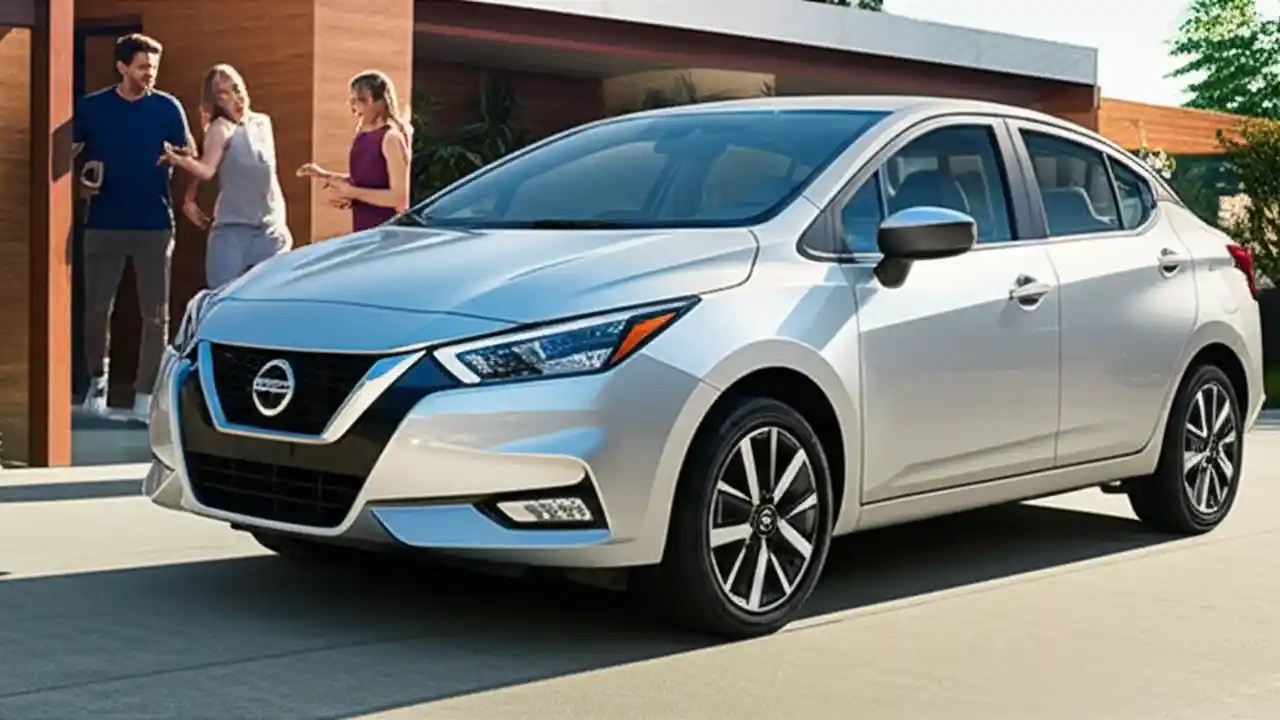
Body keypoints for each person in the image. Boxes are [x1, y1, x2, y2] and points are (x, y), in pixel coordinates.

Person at [71, 33, 196, 423]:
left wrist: (177, 160)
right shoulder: (92, 108)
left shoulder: (167, 107)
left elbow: (190, 153)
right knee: (96, 309)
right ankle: (97, 386)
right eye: (143, 67)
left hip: (154, 224)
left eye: (153, 68)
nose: (149, 75)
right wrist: (79, 184)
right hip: (104, 222)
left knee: (155, 314)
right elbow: (63, 158)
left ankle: (145, 396)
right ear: (122, 67)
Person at [160, 63, 293, 288]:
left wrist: (190, 198)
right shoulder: (220, 129)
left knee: (271, 295)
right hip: (234, 229)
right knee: (222, 296)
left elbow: (263, 169)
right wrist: (179, 161)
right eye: (224, 93)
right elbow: (206, 169)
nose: (235, 98)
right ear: (217, 101)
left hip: (271, 228)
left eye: (237, 89)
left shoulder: (262, 122)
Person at [296, 70, 411, 232]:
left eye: (356, 100)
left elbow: (399, 197)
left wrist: (353, 193)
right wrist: (327, 176)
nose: (352, 107)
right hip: (364, 231)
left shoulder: (391, 138)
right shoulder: (362, 136)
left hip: (388, 233)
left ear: (373, 101)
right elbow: (368, 181)